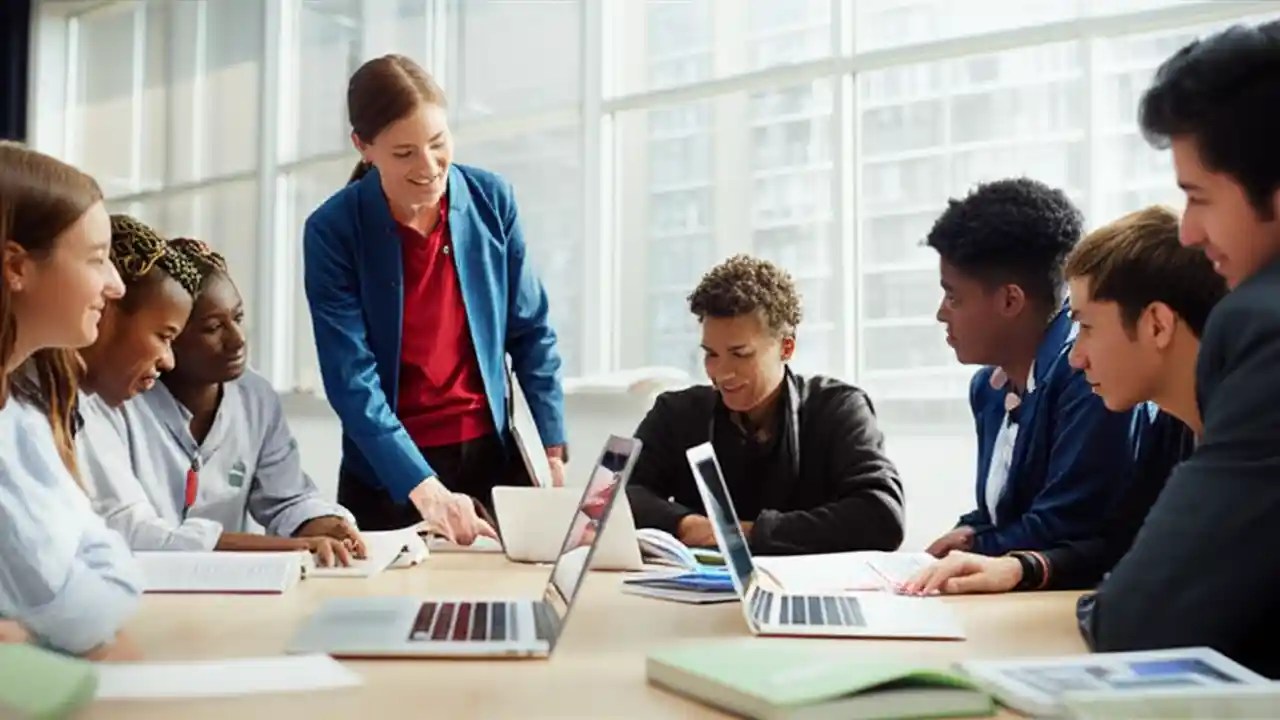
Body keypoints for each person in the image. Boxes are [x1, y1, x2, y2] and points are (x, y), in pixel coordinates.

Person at [304, 54, 567, 543]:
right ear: (363, 147)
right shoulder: (332, 231)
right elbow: (350, 377)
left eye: (438, 143)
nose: (428, 167)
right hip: (389, 474)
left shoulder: (493, 199)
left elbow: (531, 330)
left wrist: (552, 444)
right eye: (404, 153)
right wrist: (423, 489)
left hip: (492, 460)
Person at [1087, 21, 1280, 677]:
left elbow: (1143, 621)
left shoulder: (1262, 324)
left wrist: (1103, 605)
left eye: (1199, 197)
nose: (1190, 233)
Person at [904, 205, 1224, 595]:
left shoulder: (1243, 438)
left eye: (1086, 327)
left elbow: (1134, 586)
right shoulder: (1174, 429)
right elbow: (1120, 549)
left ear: (1157, 326)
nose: (1075, 356)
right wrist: (1023, 567)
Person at [77, 222, 363, 567]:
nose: (238, 340)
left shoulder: (254, 397)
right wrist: (288, 548)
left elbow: (288, 499)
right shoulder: (108, 398)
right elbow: (133, 530)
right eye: (212, 328)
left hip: (227, 588)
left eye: (238, 318)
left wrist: (324, 524)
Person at [626, 255, 905, 555]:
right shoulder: (675, 412)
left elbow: (882, 515)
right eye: (711, 354)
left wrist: (746, 534)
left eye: (740, 354)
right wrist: (685, 525)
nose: (721, 373)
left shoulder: (839, 408)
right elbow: (612, 497)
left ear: (786, 347)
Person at [924, 178, 1140, 559]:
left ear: (1011, 301)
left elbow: (1061, 528)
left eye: (953, 296)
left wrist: (972, 550)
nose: (941, 313)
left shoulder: (1090, 378)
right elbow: (1005, 516)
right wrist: (969, 531)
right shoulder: (989, 388)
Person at [0, 141, 140, 659]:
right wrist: (59, 626)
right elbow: (80, 615)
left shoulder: (24, 420)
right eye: (97, 259)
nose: (116, 285)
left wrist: (38, 631)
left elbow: (115, 572)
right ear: (16, 266)